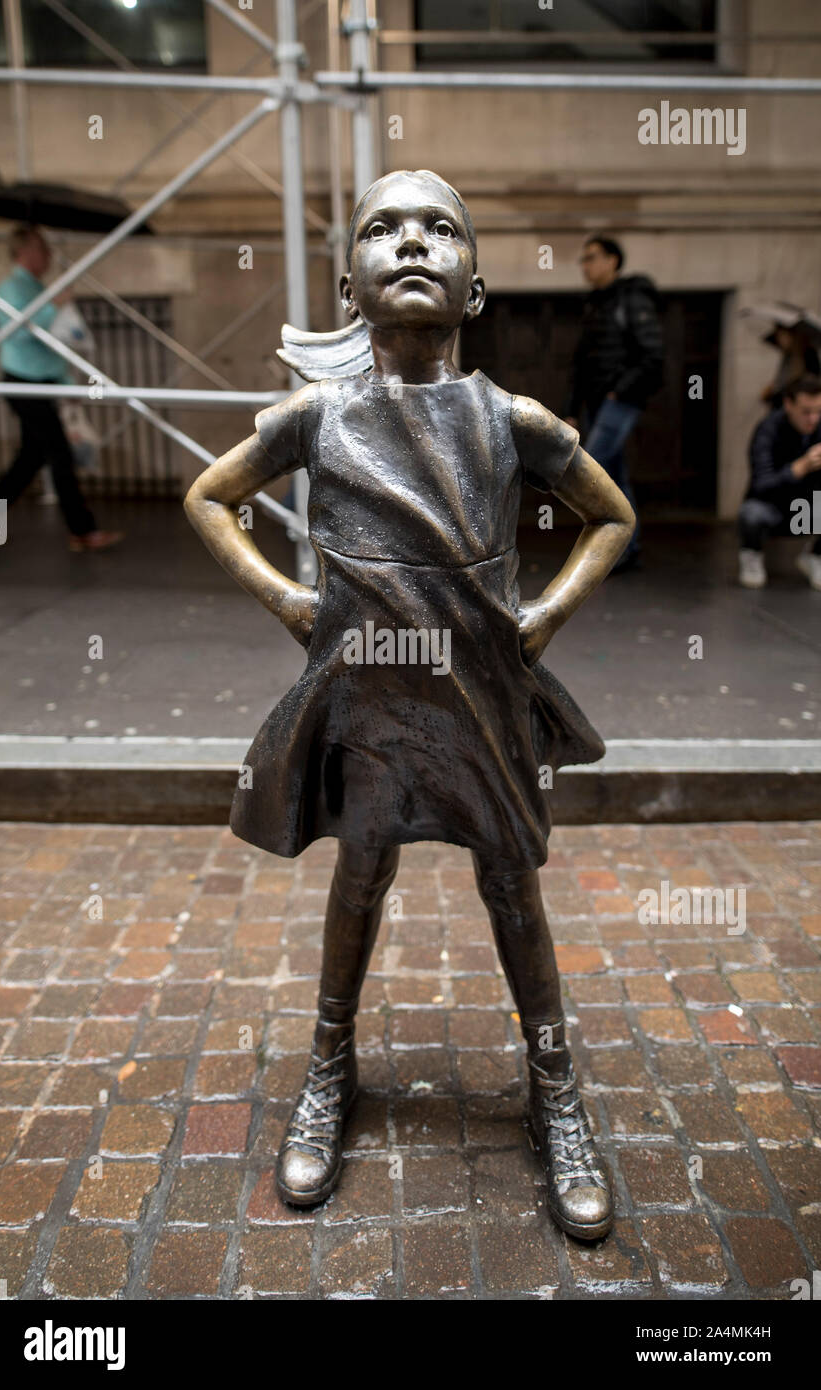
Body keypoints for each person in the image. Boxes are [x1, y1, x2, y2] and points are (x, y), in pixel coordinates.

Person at [185, 170, 635, 1243]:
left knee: (511, 888)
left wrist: (543, 619)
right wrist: (291, 601)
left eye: (442, 228)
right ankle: (328, 1069)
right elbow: (208, 495)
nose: (414, 243)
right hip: (370, 696)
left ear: (475, 287)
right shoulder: (317, 416)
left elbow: (609, 517)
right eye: (384, 229)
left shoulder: (508, 420)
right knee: (361, 873)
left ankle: (555, 1086)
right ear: (351, 282)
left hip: (481, 691)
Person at [0, 225, 122, 552]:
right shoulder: (12, 289)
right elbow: (17, 332)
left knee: (31, 457)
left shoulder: (31, 287)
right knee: (58, 453)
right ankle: (81, 530)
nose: (49, 255)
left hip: (38, 382)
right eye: (43, 248)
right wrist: (52, 305)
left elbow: (48, 347)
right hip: (23, 383)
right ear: (26, 251)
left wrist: (65, 383)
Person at [563, 234, 663, 572]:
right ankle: (627, 548)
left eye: (591, 258)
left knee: (592, 470)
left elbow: (653, 355)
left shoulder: (633, 299)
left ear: (612, 261)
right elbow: (581, 363)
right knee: (615, 477)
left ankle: (605, 547)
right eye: (584, 259)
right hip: (596, 403)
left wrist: (618, 391)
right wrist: (573, 409)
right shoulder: (595, 303)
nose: (585, 266)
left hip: (618, 401)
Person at [738, 374, 821, 590]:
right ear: (788, 404)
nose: (812, 419)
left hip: (808, 509)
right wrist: (798, 468)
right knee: (750, 513)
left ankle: (816, 556)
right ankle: (751, 555)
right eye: (806, 412)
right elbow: (761, 485)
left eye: (818, 412)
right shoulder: (768, 430)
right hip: (774, 508)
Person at [761, 323, 821, 412]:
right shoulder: (788, 356)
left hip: (798, 409)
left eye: (783, 335)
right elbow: (781, 381)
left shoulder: (808, 355)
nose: (780, 339)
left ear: (792, 335)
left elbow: (812, 385)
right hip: (782, 406)